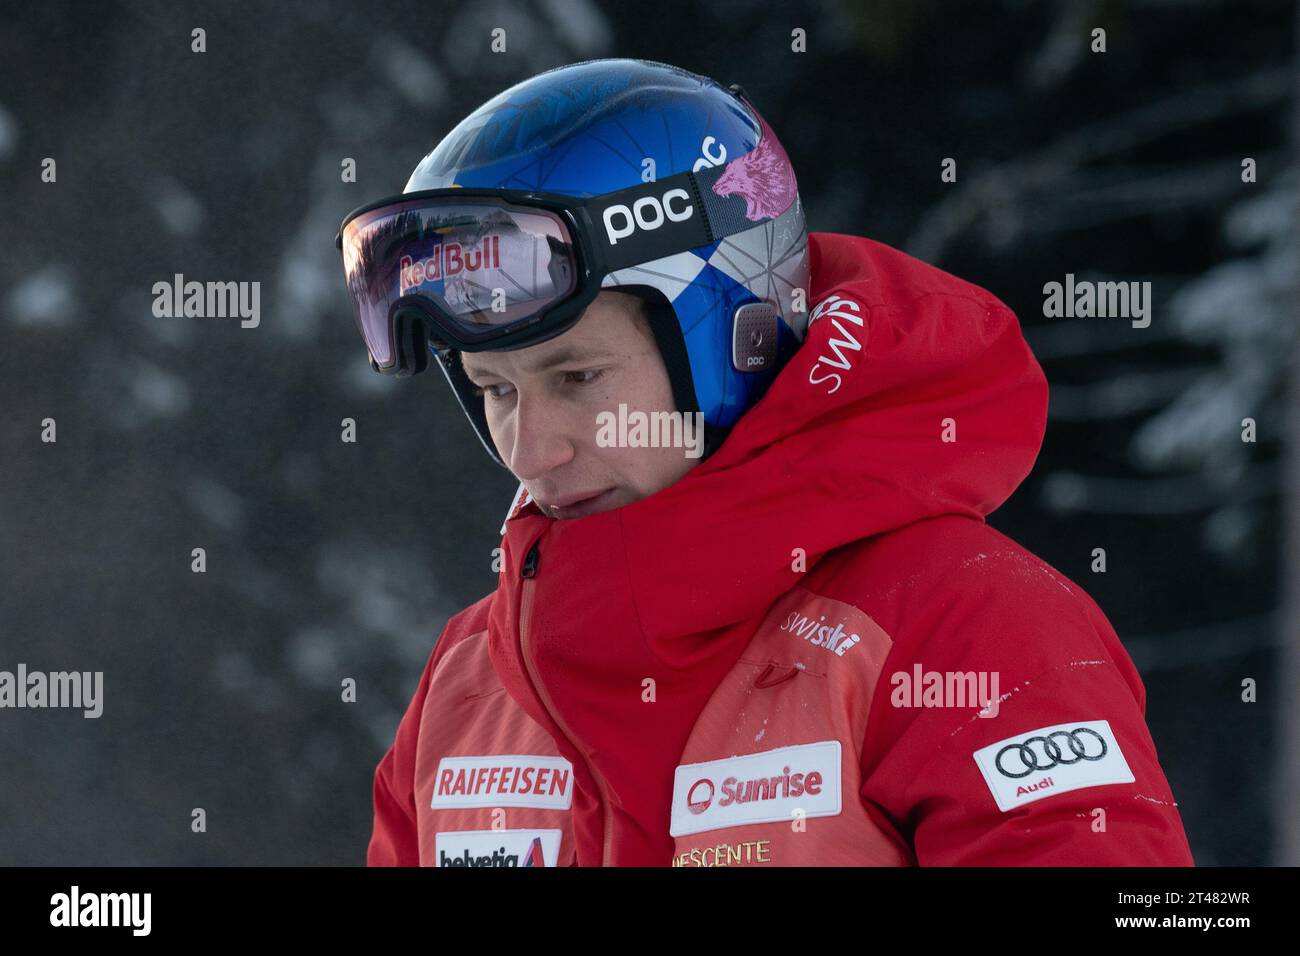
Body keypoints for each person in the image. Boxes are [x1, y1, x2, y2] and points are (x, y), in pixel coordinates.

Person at [337, 58, 1194, 867]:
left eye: (578, 376)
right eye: (495, 389)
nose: (532, 449)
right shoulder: (472, 682)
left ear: (732, 345)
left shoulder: (962, 627)